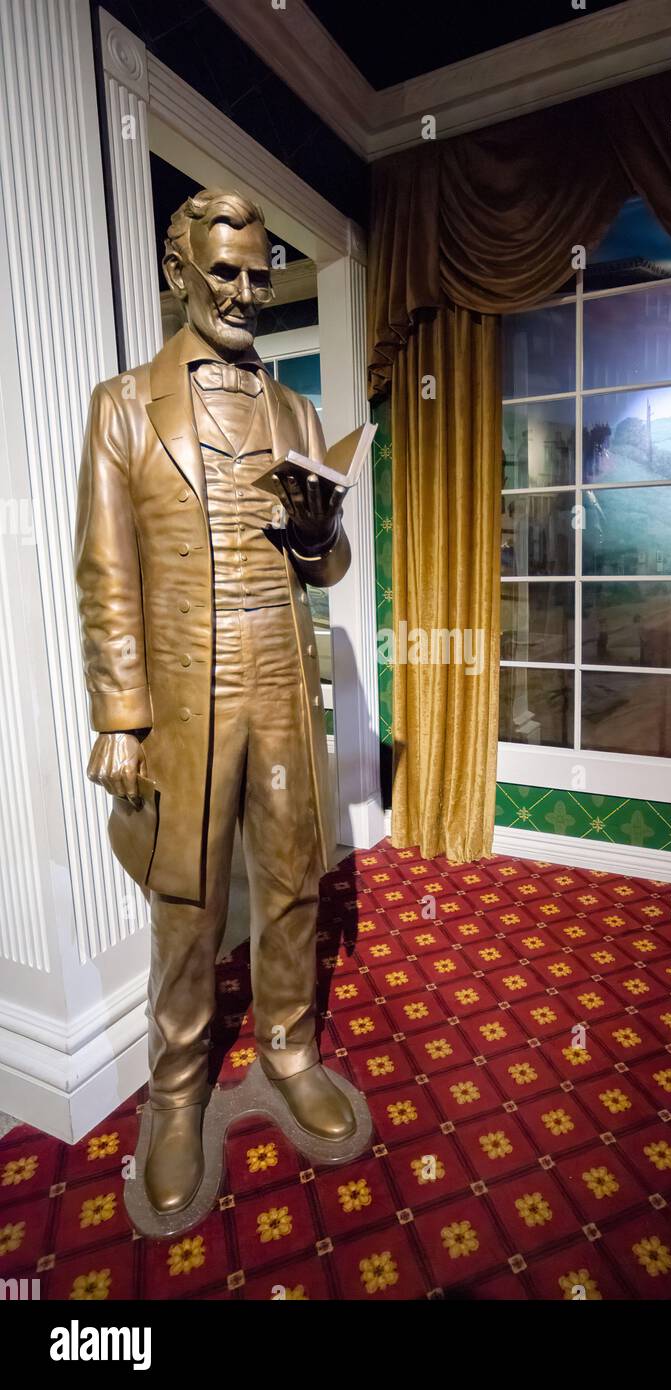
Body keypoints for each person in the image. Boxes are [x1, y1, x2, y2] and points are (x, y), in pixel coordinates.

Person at [75, 189, 356, 1214]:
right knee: (186, 905)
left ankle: (288, 1048)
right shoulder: (120, 407)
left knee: (292, 879)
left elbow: (329, 569)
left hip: (281, 677)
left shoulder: (296, 411)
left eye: (256, 275)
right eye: (222, 272)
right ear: (179, 273)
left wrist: (320, 531)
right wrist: (119, 715)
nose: (243, 292)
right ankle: (178, 1092)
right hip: (185, 695)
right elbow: (106, 573)